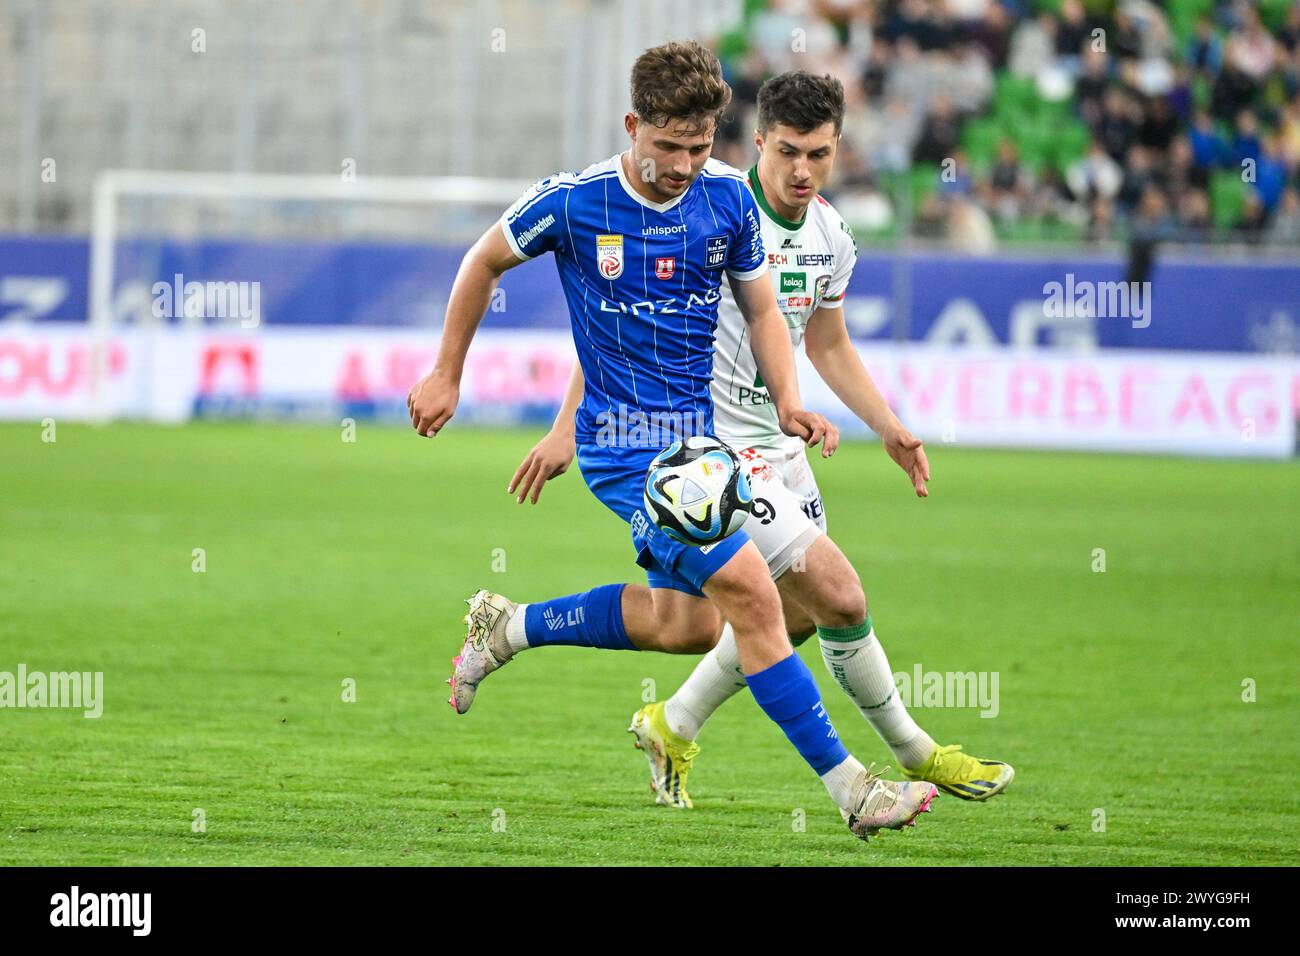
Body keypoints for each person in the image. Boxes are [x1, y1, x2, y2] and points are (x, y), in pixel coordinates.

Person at [407, 42, 937, 841]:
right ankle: (853, 790)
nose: (685, 164)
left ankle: (506, 628)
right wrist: (448, 371)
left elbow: (764, 311)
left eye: (699, 146)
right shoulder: (574, 203)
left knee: (687, 625)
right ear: (633, 126)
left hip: (705, 453)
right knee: (762, 604)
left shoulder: (725, 200)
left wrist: (790, 402)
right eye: (668, 147)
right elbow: (482, 263)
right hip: (625, 451)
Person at [511, 70, 1013, 811]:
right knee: (836, 595)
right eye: (787, 153)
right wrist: (564, 428)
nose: (802, 171)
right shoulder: (706, 210)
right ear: (758, 144)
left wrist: (889, 426)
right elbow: (620, 338)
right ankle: (912, 755)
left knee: (749, 619)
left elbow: (829, 344)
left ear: (838, 148)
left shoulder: (831, 236)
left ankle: (668, 719)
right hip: (710, 456)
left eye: (819, 154)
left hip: (781, 450)